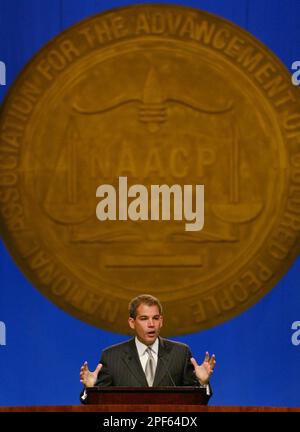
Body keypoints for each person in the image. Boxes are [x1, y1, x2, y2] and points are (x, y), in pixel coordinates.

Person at [80, 294, 216, 403]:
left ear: (161, 321)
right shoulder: (112, 356)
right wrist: (90, 389)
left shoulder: (180, 353)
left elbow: (196, 403)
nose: (151, 324)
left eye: (155, 318)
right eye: (144, 318)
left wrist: (202, 384)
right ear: (132, 323)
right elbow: (97, 405)